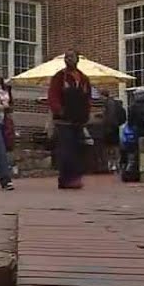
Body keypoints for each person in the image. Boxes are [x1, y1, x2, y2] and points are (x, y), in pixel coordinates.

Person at [48, 50, 91, 190]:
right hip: (64, 121)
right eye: (66, 57)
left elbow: (87, 98)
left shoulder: (84, 78)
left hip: (78, 120)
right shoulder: (59, 77)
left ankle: (75, 177)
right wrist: (59, 111)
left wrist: (86, 114)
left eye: (71, 57)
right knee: (66, 150)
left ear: (77, 59)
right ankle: (66, 179)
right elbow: (53, 96)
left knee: (78, 149)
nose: (68, 59)